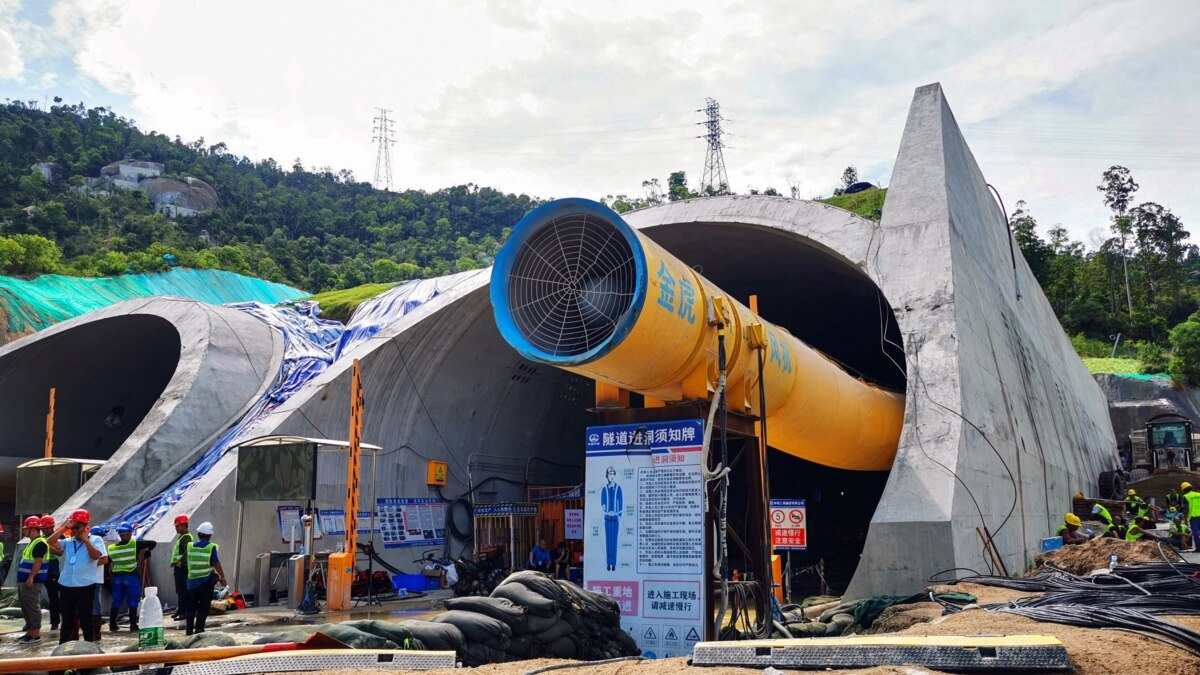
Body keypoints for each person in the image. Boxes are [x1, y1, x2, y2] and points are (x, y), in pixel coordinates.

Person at [46, 509, 107, 644]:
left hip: (85, 585)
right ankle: (64, 645)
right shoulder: (68, 542)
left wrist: (86, 540)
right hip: (66, 585)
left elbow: (97, 556)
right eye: (73, 527)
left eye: (78, 527)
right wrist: (64, 528)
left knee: (86, 618)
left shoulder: (96, 539)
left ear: (86, 527)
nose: (75, 530)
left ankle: (89, 645)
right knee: (67, 619)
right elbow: (49, 541)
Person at [184, 522, 227, 635]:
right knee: (203, 607)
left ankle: (189, 631)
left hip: (191, 583)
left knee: (190, 608)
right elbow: (216, 563)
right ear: (209, 536)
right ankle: (199, 629)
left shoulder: (190, 546)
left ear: (198, 534)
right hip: (204, 583)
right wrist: (222, 577)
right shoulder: (211, 547)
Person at [16, 516, 47, 643]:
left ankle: (35, 634)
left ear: (33, 529)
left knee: (33, 607)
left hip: (32, 581)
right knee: (26, 607)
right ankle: (29, 632)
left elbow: (38, 561)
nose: (24, 531)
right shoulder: (33, 542)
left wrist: (31, 577)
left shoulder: (40, 543)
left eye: (26, 529)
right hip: (25, 580)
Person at [108, 522, 141, 633]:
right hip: (131, 577)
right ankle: (133, 625)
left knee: (116, 601)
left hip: (117, 578)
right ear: (128, 534)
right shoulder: (134, 544)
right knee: (133, 601)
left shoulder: (111, 548)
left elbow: (108, 561)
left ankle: (112, 625)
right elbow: (152, 544)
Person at [39, 516, 61, 632]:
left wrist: (47, 548)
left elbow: (61, 552)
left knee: (58, 598)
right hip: (43, 568)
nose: (44, 530)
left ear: (52, 527)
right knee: (52, 597)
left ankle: (58, 621)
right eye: (43, 528)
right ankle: (54, 621)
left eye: (46, 528)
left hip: (55, 568)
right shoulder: (41, 538)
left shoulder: (60, 536)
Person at [170, 515, 194, 621]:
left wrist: (181, 561)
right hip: (179, 568)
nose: (176, 528)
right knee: (179, 590)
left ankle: (183, 613)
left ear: (184, 525)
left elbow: (187, 550)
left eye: (178, 526)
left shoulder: (186, 537)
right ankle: (180, 611)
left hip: (183, 568)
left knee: (183, 590)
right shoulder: (182, 537)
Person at [600, 466, 623, 571]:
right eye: (610, 474)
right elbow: (603, 502)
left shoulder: (618, 488)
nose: (612, 476)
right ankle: (608, 564)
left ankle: (613, 564)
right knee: (608, 541)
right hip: (607, 518)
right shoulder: (604, 489)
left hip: (615, 519)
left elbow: (620, 501)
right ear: (607, 476)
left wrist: (618, 513)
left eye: (614, 474)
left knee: (614, 541)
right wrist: (605, 509)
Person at [1182, 482, 1200, 553]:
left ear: (1183, 490)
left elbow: (1186, 509)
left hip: (1193, 517)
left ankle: (1198, 548)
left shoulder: (1186, 496)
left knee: (1196, 534)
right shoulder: (1199, 494)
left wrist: (1186, 519)